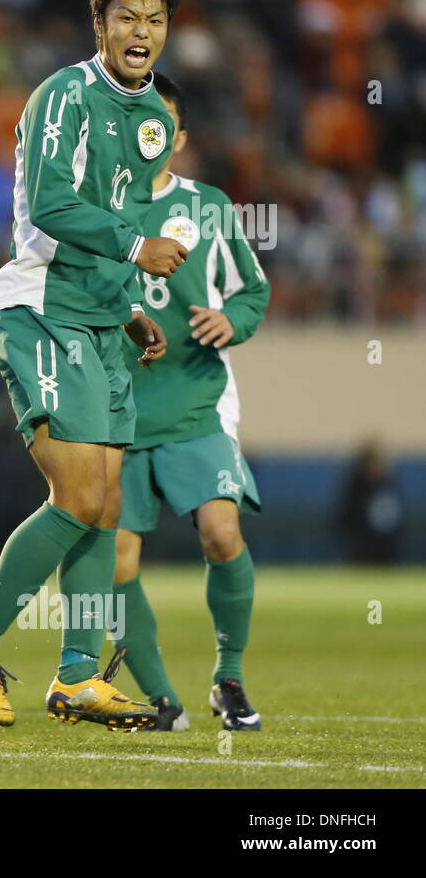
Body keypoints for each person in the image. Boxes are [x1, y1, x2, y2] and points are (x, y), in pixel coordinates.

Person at [0, 0, 188, 731]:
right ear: (100, 25)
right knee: (76, 494)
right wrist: (134, 253)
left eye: (154, 19)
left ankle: (78, 673)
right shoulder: (64, 95)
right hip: (40, 306)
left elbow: (113, 226)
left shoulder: (153, 121)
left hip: (97, 316)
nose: (141, 32)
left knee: (105, 501)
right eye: (127, 18)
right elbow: (48, 204)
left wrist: (125, 308)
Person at [111, 72, 270, 732]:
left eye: (160, 124)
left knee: (221, 531)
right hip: (113, 411)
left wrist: (232, 319)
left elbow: (253, 293)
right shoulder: (94, 211)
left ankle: (228, 678)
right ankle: (159, 699)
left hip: (195, 401)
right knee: (116, 562)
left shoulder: (209, 206)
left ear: (176, 137)